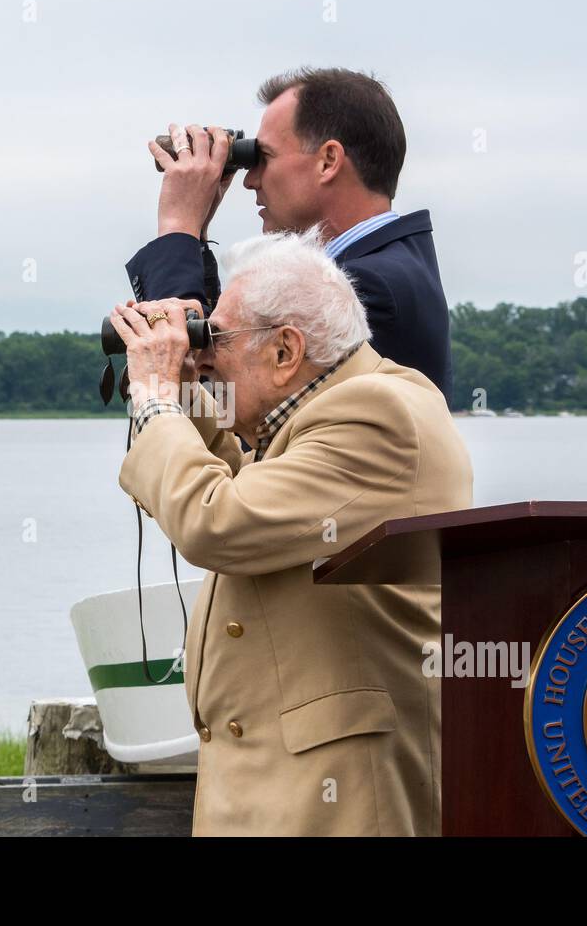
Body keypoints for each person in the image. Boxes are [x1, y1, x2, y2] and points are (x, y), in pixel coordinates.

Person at [107, 227, 473, 835]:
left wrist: (155, 396)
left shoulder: (377, 416)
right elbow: (242, 487)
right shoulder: (329, 412)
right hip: (293, 796)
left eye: (218, 338)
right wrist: (188, 389)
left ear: (285, 351)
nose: (206, 351)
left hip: (341, 807)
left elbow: (216, 521)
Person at [124, 66, 454, 400]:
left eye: (264, 157)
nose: (250, 180)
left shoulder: (365, 288)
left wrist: (176, 229)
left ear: (328, 160)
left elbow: (223, 414)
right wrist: (195, 240)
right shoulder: (396, 267)